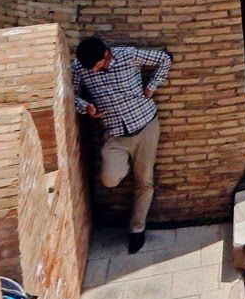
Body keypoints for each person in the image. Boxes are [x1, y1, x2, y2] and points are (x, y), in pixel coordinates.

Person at [72, 36, 171, 253]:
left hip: (145, 125)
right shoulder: (81, 66)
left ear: (106, 54)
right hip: (115, 134)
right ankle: (124, 164)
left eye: (97, 66)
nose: (94, 71)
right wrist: (85, 107)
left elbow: (164, 58)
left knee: (144, 180)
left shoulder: (127, 55)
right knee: (109, 178)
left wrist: (151, 87)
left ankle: (137, 229)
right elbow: (73, 94)